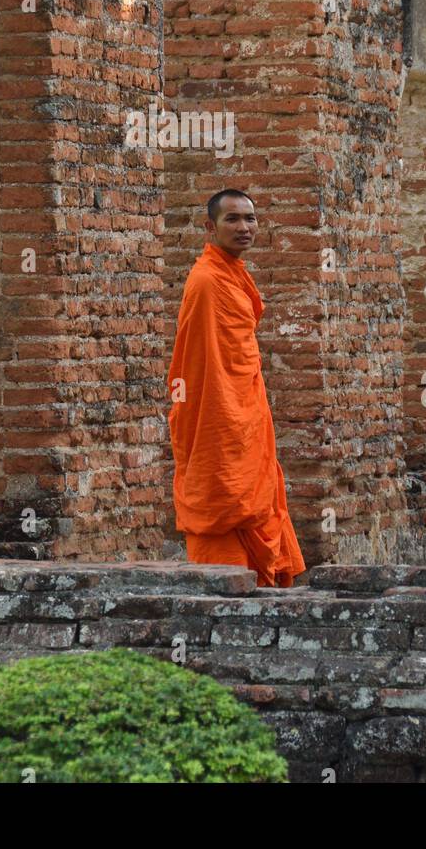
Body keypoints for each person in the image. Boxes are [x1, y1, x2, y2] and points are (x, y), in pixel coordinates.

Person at [167, 189, 306, 588]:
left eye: (251, 219)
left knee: (253, 489)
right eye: (232, 219)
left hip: (245, 412)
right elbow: (201, 365)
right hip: (219, 418)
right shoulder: (208, 282)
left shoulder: (231, 274)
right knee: (224, 488)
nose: (244, 228)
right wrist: (225, 418)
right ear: (210, 227)